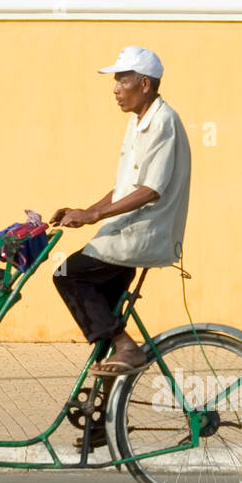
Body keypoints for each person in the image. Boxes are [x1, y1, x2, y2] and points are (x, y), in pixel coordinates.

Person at [50, 45, 191, 378]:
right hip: (125, 231)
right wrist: (88, 210)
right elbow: (127, 185)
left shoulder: (162, 121)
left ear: (145, 84)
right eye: (115, 81)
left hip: (143, 231)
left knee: (69, 274)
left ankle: (127, 346)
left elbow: (149, 189)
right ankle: (102, 422)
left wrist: (96, 216)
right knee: (102, 319)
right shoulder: (139, 120)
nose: (115, 89)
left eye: (122, 80)